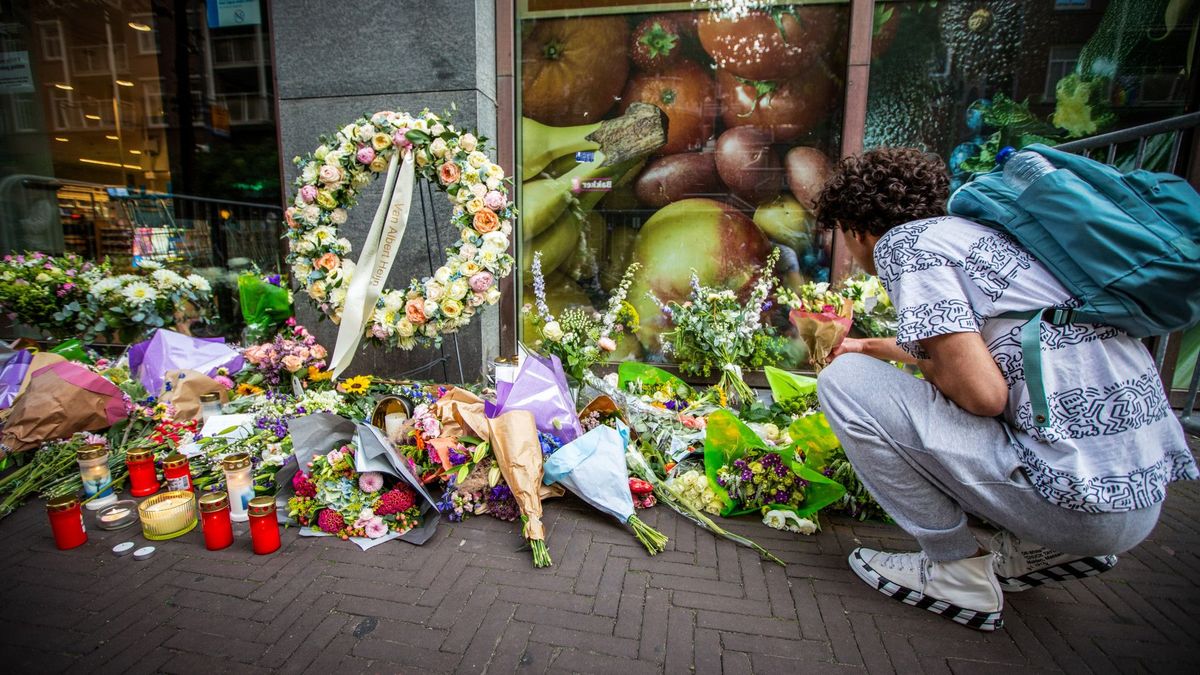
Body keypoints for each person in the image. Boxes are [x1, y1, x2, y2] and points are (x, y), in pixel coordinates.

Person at [813, 147, 1196, 632]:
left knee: (843, 383)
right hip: (1137, 500)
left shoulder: (904, 246)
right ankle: (1032, 551)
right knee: (859, 366)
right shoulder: (986, 237)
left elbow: (981, 393)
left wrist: (911, 371)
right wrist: (868, 345)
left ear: (857, 228)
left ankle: (954, 570)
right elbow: (982, 353)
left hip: (1078, 505)